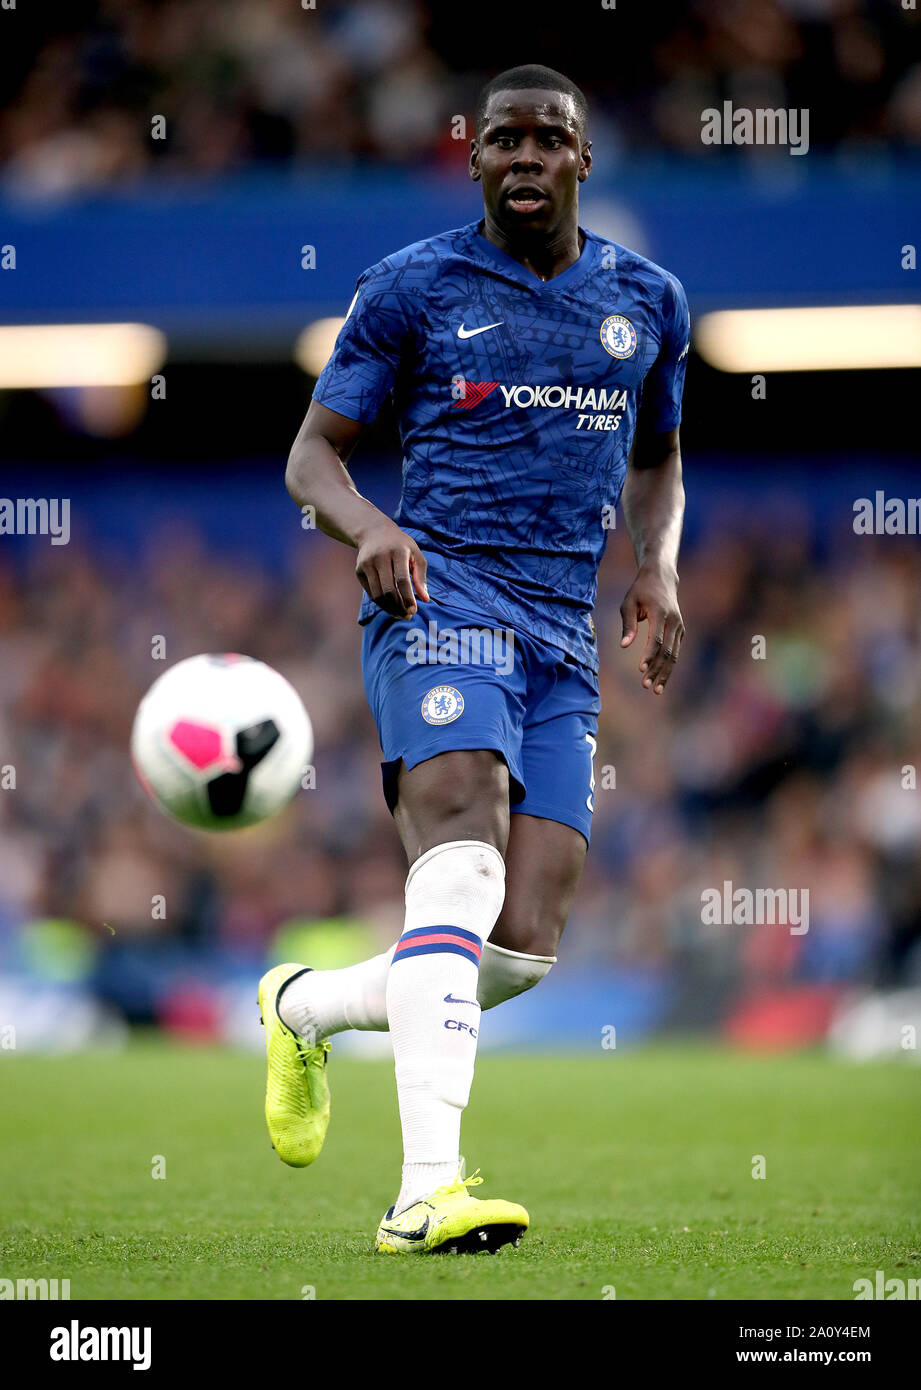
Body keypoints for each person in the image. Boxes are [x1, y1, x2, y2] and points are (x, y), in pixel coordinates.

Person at [260, 64, 688, 1255]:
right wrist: (374, 529)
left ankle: (300, 1005)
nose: (527, 159)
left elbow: (659, 459)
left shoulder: (647, 300)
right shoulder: (411, 288)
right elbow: (311, 460)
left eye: (551, 139)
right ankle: (424, 1194)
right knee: (459, 859)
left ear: (583, 159)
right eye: (506, 139)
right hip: (439, 598)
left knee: (525, 946)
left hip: (563, 634)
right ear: (475, 156)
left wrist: (653, 566)